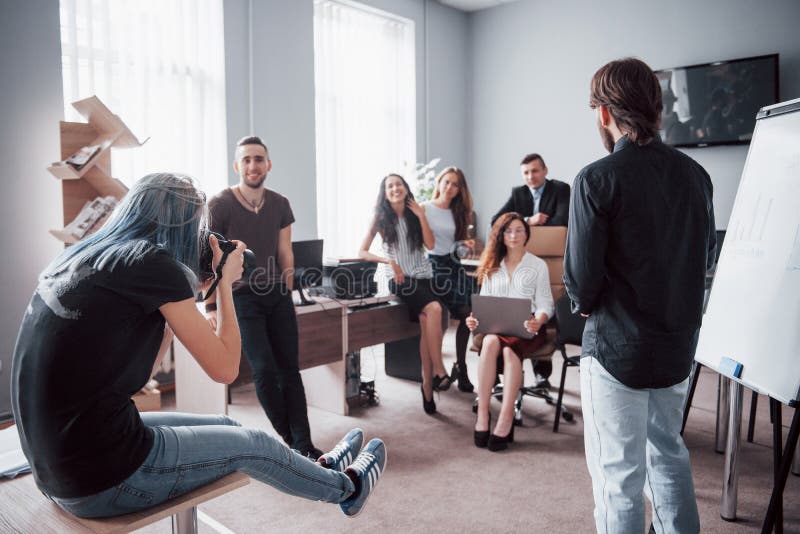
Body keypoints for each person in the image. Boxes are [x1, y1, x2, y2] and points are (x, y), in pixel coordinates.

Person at [10, 172, 387, 519]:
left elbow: (147, 369)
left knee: (226, 425)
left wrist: (186, 302)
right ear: (181, 224)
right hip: (99, 480)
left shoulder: (89, 256)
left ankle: (318, 470)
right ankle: (347, 489)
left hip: (59, 467)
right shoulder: (152, 263)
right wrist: (223, 282)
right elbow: (226, 369)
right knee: (252, 443)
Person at [564, 57, 716, 533]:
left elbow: (581, 283)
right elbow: (704, 260)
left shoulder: (595, 179)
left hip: (616, 352)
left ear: (606, 113)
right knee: (668, 456)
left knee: (618, 479)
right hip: (676, 349)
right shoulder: (697, 176)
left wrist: (586, 302)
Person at [208, 136, 321, 459]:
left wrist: (289, 293)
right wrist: (211, 304)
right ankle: (292, 440)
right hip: (242, 298)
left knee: (290, 370)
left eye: (259, 159)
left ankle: (304, 444)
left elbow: (285, 251)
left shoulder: (279, 203)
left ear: (268, 165)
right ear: (237, 165)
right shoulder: (220, 204)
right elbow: (209, 257)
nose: (253, 166)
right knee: (264, 370)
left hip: (277, 295)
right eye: (246, 160)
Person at [359, 173, 451, 414]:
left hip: (423, 277)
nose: (395, 188)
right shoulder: (380, 218)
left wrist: (421, 215)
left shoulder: (416, 213)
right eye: (389, 186)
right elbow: (362, 251)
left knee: (426, 321)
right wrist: (389, 261)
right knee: (435, 309)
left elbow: (431, 245)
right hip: (400, 280)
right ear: (385, 193)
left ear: (405, 188)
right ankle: (440, 369)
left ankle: (428, 386)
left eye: (398, 184)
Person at [466, 212, 553, 452]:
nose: (513, 235)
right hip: (496, 327)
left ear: (527, 235)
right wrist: (474, 320)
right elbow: (484, 301)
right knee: (491, 341)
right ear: (501, 235)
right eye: (508, 231)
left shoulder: (537, 265)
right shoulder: (492, 263)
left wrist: (539, 319)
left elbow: (546, 303)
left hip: (528, 327)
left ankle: (505, 419)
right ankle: (483, 414)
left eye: (519, 231)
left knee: (509, 351)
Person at [491, 153, 570, 388]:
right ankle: (500, 376)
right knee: (509, 307)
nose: (530, 176)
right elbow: (497, 221)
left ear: (545, 171)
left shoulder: (560, 189)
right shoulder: (519, 193)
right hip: (520, 252)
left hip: (550, 254)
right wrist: (528, 221)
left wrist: (518, 226)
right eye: (526, 172)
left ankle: (541, 376)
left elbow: (562, 221)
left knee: (539, 306)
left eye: (535, 171)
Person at [423, 167, 476, 392]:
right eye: (447, 182)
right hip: (434, 265)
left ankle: (461, 366)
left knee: (467, 312)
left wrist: (465, 247)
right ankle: (437, 369)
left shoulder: (459, 211)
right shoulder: (424, 208)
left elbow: (457, 247)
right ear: (439, 182)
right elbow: (423, 243)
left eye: (455, 184)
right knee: (441, 315)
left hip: (453, 264)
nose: (450, 188)